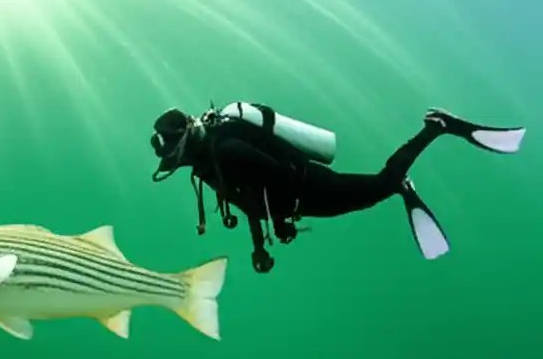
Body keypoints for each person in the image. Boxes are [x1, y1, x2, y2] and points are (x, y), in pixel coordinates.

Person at [149, 101, 526, 273]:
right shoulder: (210, 161)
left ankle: (435, 129)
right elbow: (253, 192)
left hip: (311, 190)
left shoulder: (226, 151)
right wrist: (270, 229)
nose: (176, 164)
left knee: (380, 186)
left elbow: (270, 179)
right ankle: (401, 184)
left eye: (174, 158)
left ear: (183, 149)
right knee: (374, 191)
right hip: (301, 199)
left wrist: (268, 235)